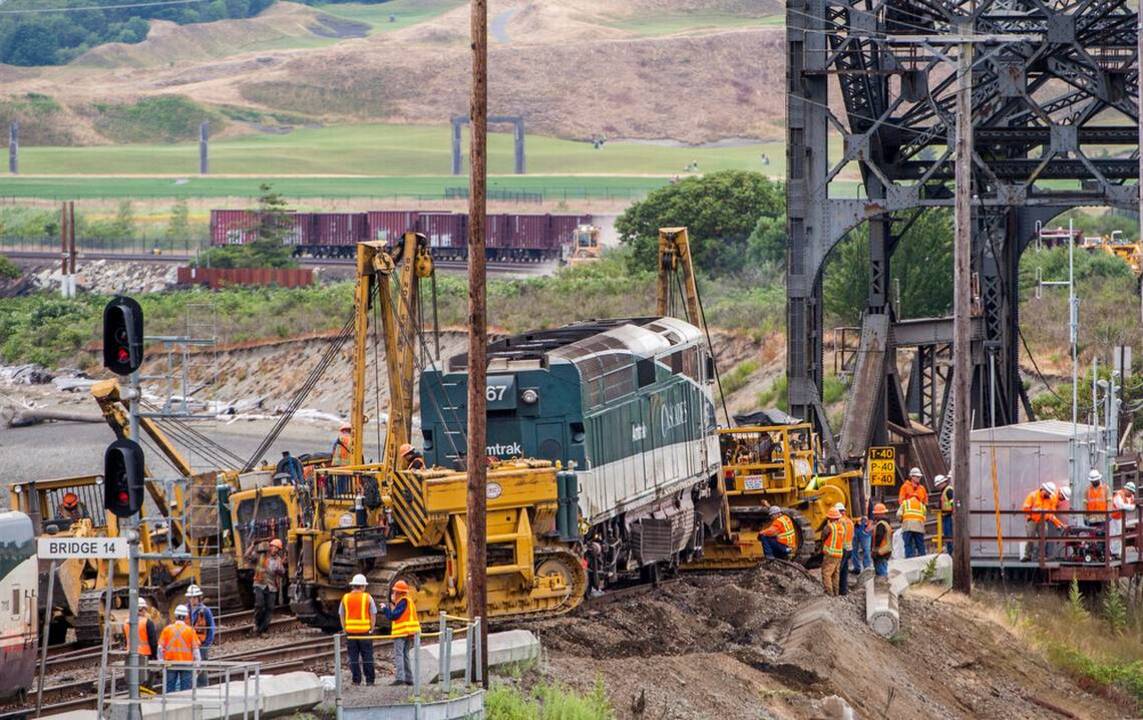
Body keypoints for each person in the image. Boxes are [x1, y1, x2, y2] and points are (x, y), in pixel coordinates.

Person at [379, 580, 420, 686]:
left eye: (395, 592)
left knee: (399, 655)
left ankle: (400, 678)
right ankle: (409, 678)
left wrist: (384, 609)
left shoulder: (403, 601)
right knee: (405, 655)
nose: (393, 594)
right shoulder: (407, 601)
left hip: (402, 633)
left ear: (399, 593)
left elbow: (393, 616)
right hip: (408, 632)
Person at [340, 574, 378, 686]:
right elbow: (373, 614)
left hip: (350, 633)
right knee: (367, 656)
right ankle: (370, 680)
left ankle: (356, 680)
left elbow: (341, 614)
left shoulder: (345, 598)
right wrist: (372, 628)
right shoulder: (367, 597)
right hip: (365, 632)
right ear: (362, 586)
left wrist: (344, 628)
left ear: (353, 585)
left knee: (353, 658)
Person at [244, 538, 286, 635]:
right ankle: (256, 624)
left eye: (277, 548)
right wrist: (252, 545)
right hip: (259, 584)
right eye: (274, 547)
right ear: (270, 547)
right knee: (259, 605)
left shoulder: (278, 560)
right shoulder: (260, 556)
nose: (275, 549)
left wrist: (280, 570)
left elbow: (282, 572)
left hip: (272, 587)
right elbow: (246, 556)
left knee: (270, 608)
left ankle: (262, 630)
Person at [157, 604, 201, 693]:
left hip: (170, 663)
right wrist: (198, 664)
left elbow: (160, 648)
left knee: (169, 690)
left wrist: (161, 662)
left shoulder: (167, 629)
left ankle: (169, 702)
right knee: (186, 690)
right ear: (186, 616)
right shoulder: (190, 630)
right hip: (186, 663)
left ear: (175, 615)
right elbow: (196, 650)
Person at [1022, 481, 1065, 561]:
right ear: (1043, 490)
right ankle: (1027, 555)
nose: (1049, 495)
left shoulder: (1050, 499)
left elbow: (1051, 514)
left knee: (1043, 538)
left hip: (1043, 521)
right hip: (1032, 520)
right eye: (1048, 493)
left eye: (1050, 493)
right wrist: (1030, 517)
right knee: (1030, 537)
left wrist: (1059, 524)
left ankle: (1040, 556)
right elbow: (1025, 508)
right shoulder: (1033, 495)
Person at [123, 597, 158, 687]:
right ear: (142, 609)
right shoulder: (147, 622)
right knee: (145, 679)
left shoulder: (126, 622)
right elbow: (153, 642)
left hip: (130, 654)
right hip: (144, 655)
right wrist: (155, 656)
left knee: (133, 680)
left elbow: (125, 640)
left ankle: (135, 693)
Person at [186, 584, 215, 687]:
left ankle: (202, 687)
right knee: (188, 669)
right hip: (189, 646)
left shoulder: (205, 611)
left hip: (201, 645)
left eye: (195, 597)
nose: (193, 600)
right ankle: (190, 688)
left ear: (199, 598)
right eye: (191, 598)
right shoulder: (185, 611)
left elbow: (211, 628)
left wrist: (206, 644)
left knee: (201, 669)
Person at [820, 508, 845, 596]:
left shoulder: (829, 527)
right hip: (839, 554)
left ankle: (829, 593)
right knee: (835, 574)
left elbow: (823, 537)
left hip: (830, 554)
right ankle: (836, 593)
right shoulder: (842, 527)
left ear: (830, 518)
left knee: (826, 573)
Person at [897, 490, 927, 558]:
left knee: (908, 543)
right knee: (920, 544)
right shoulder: (922, 505)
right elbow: (924, 518)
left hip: (908, 526)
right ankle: (923, 558)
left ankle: (909, 558)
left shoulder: (905, 503)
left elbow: (899, 514)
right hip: (919, 527)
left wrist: (901, 521)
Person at [1111, 481, 1136, 557]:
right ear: (1126, 489)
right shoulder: (1119, 494)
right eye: (1130, 491)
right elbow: (1121, 505)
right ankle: (1113, 552)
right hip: (1112, 518)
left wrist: (1130, 507)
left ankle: (1117, 553)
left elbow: (1130, 506)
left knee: (1119, 535)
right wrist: (1131, 507)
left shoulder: (1131, 496)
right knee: (1113, 535)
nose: (1131, 493)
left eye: (1132, 492)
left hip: (1120, 518)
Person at [836, 503, 854, 595]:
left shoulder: (840, 521)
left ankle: (836, 590)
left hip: (843, 548)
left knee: (838, 570)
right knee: (844, 571)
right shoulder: (849, 521)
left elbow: (839, 535)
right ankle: (843, 590)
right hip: (849, 548)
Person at [850, 504, 873, 576]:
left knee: (866, 549)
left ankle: (867, 568)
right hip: (854, 526)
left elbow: (871, 513)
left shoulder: (868, 500)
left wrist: (869, 525)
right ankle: (856, 568)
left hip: (864, 526)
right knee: (853, 550)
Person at [871, 503, 893, 577]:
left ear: (879, 514)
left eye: (875, 514)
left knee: (881, 572)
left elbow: (879, 537)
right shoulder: (887, 523)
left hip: (880, 551)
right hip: (886, 550)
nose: (874, 515)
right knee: (883, 568)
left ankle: (883, 583)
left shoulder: (880, 524)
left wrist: (875, 550)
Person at [935, 474, 954, 555]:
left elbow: (953, 503)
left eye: (938, 485)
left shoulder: (948, 490)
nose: (938, 487)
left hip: (949, 516)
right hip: (946, 515)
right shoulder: (945, 491)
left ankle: (951, 552)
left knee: (949, 535)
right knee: (947, 535)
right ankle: (950, 552)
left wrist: (950, 510)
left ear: (942, 483)